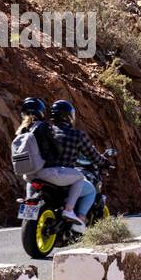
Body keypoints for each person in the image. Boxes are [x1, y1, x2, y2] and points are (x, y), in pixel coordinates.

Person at [18, 98, 88, 226]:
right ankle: (69, 210)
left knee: (32, 185)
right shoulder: (43, 127)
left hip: (29, 174)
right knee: (79, 177)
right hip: (47, 171)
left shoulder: (23, 130)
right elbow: (56, 147)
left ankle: (29, 206)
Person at [45, 99, 108, 230]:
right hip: (64, 176)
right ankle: (79, 220)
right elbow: (92, 154)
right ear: (68, 116)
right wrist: (104, 162)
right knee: (90, 190)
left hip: (43, 172)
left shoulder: (46, 131)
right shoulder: (76, 135)